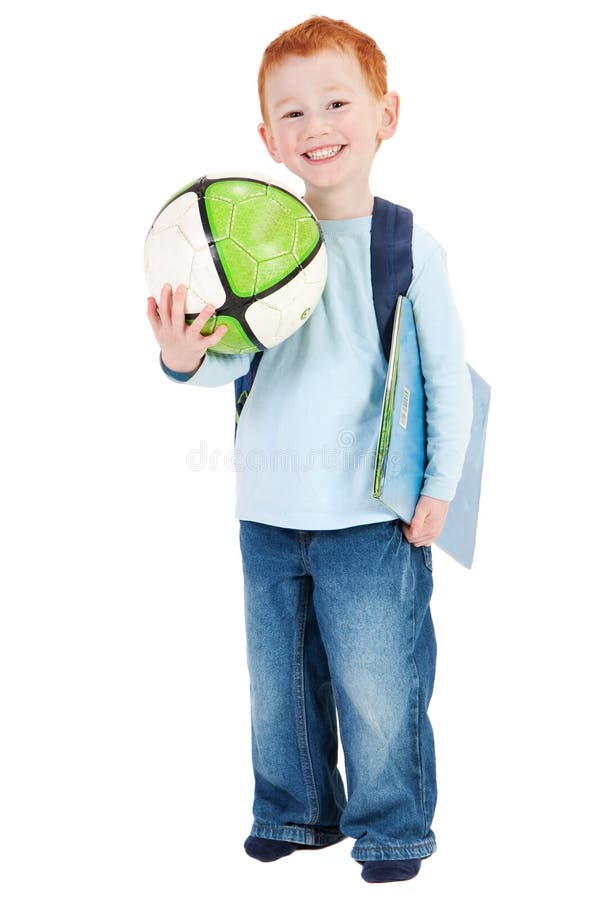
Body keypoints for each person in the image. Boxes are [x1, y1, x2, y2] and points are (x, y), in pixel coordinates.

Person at [146, 15, 473, 884]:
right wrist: (184, 357)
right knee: (279, 684)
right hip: (266, 510)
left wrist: (440, 487)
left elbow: (445, 380)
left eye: (336, 103)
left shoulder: (407, 247)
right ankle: (292, 811)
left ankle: (392, 829)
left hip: (371, 517)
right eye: (291, 113)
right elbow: (229, 359)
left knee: (380, 685)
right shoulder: (251, 244)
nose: (315, 126)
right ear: (267, 139)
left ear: (386, 115)